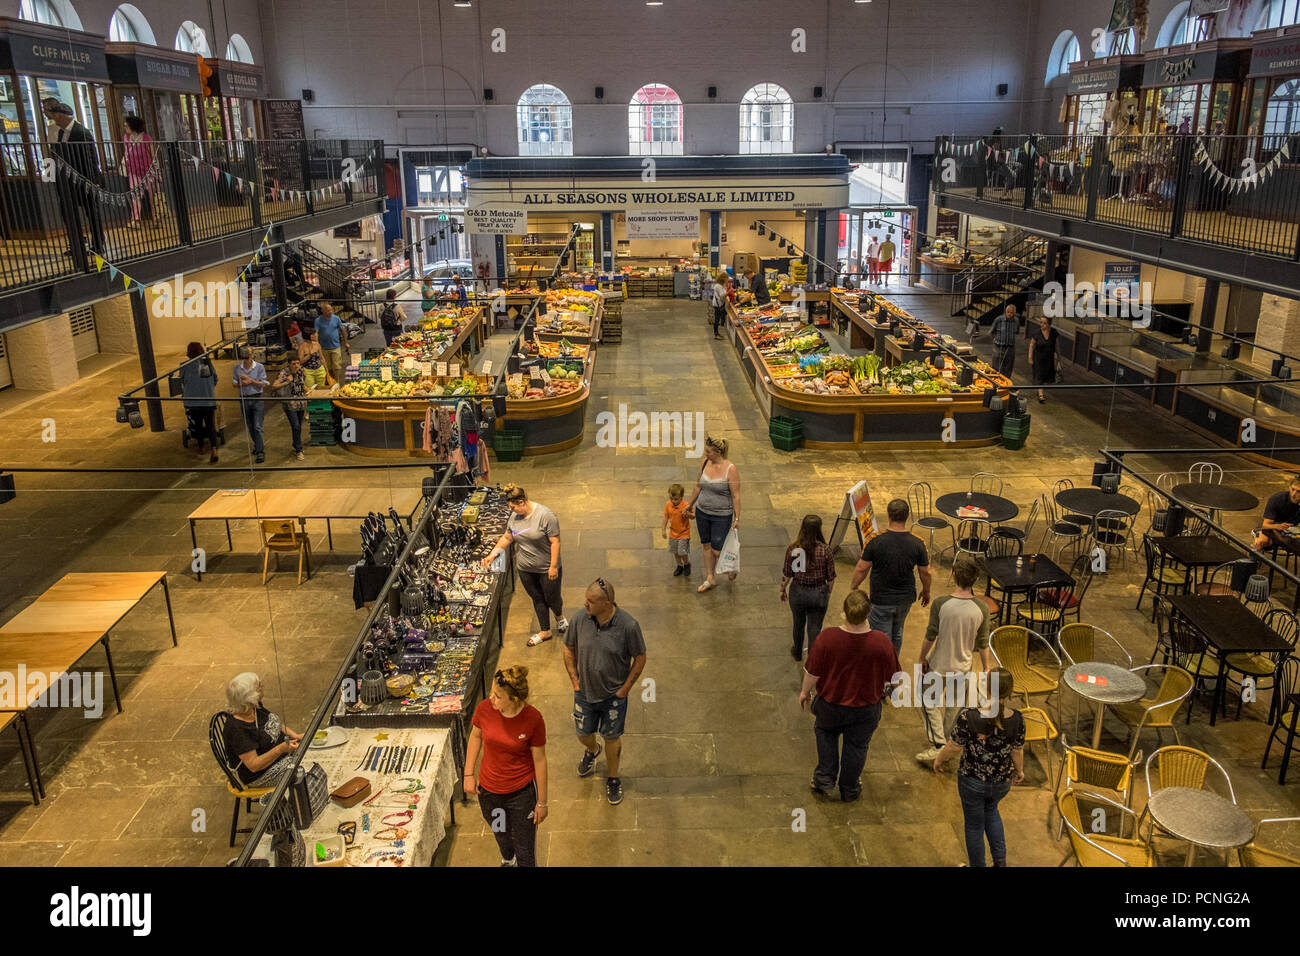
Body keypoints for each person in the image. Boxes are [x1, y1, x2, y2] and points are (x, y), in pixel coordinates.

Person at [799, 590, 900, 802]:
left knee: (826, 734)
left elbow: (813, 672)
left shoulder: (828, 638)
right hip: (865, 709)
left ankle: (825, 779)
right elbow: (893, 679)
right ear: (868, 614)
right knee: (857, 747)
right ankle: (850, 788)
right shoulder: (881, 642)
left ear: (844, 613)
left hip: (831, 704)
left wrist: (804, 692)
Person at [563, 578, 647, 807]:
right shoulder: (581, 618)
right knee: (583, 733)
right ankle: (592, 749)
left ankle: (613, 777)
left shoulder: (628, 626)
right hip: (584, 693)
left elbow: (640, 658)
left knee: (612, 737)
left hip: (613, 697)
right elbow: (568, 647)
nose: (585, 604)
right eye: (586, 600)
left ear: (607, 603)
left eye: (591, 601)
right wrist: (574, 680)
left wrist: (625, 689)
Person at [933, 669, 1024, 868]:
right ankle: (1000, 863)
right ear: (1010, 692)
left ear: (988, 688)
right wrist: (1020, 771)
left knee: (974, 825)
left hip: (972, 781)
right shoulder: (1017, 718)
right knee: (991, 812)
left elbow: (953, 747)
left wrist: (939, 760)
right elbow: (1017, 751)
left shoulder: (970, 716)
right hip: (1001, 782)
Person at [463, 665, 549, 867]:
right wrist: (468, 774)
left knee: (525, 848)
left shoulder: (533, 719)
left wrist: (542, 803)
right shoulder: (485, 709)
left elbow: (540, 760)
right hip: (491, 794)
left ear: (515, 699)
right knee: (501, 833)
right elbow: (476, 736)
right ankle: (508, 859)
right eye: (492, 693)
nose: (491, 699)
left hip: (521, 796)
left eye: (498, 696)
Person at [914, 555, 992, 764]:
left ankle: (939, 744)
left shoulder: (941, 604)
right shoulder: (982, 609)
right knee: (954, 707)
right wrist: (986, 667)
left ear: (954, 575)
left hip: (939, 663)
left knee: (925, 698)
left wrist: (922, 657)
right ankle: (947, 743)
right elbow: (983, 642)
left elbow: (931, 635)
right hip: (963, 667)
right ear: (975, 580)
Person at [482, 483, 567, 647]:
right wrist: (492, 555)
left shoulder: (545, 516)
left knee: (552, 598)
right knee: (537, 598)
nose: (512, 511)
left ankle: (559, 616)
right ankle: (545, 630)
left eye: (513, 507)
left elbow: (555, 542)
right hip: (526, 569)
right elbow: (507, 537)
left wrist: (553, 566)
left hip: (546, 568)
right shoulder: (514, 518)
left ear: (522, 502)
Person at [850, 498, 931, 656]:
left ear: (888, 515)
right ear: (907, 516)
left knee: (881, 637)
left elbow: (861, 568)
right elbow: (925, 572)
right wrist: (926, 590)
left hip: (881, 599)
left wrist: (854, 587)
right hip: (905, 599)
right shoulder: (918, 543)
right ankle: (893, 666)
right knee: (897, 632)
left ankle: (882, 670)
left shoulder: (875, 541)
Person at [222, 672, 303, 787]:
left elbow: (274, 722)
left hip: (282, 755)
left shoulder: (253, 707)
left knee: (312, 748)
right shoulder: (237, 729)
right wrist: (280, 749)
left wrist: (296, 735)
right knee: (302, 773)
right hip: (261, 775)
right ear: (250, 698)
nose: (262, 688)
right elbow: (254, 765)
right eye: (258, 687)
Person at [47, 102, 105, 255]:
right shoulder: (58, 132)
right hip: (67, 181)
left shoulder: (81, 132)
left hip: (84, 180)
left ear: (60, 115)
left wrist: (93, 180)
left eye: (53, 116)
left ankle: (98, 245)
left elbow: (91, 158)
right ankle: (77, 245)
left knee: (92, 213)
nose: (52, 119)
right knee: (69, 214)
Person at [684, 436, 741, 593]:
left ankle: (731, 566)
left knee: (717, 550)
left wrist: (737, 518)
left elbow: (736, 495)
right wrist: (689, 504)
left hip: (721, 515)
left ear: (717, 452)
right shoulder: (704, 463)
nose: (706, 454)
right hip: (703, 512)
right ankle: (710, 577)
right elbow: (698, 486)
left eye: (708, 452)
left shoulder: (731, 469)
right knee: (706, 545)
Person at [781, 514, 836, 662]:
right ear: (819, 529)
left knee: (798, 623)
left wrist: (782, 589)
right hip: (818, 592)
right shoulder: (826, 550)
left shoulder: (793, 548)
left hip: (798, 591)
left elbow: (787, 573)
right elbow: (831, 577)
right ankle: (812, 659)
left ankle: (797, 651)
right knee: (815, 628)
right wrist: (827, 593)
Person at [178, 342, 219, 464]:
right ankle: (214, 449)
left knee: (198, 425)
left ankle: (201, 447)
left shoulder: (184, 366)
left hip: (193, 402)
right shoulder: (207, 363)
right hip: (208, 400)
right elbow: (215, 378)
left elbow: (181, 382)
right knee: (211, 425)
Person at [232, 347, 268, 463]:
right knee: (251, 426)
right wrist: (242, 384)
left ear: (252, 355)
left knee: (257, 426)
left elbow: (264, 383)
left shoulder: (259, 367)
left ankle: (260, 452)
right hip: (244, 400)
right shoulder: (237, 368)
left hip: (257, 399)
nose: (247, 357)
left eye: (249, 354)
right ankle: (257, 445)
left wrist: (251, 381)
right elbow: (234, 383)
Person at [119, 115, 155, 229]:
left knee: (152, 196)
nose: (125, 127)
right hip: (133, 170)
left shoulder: (146, 138)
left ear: (132, 126)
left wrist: (156, 170)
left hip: (148, 171)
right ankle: (136, 219)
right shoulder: (126, 137)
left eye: (126, 125)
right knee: (135, 196)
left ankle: (156, 217)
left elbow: (153, 155)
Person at [1254, 475, 1300, 556]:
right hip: (1272, 526)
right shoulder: (1277, 499)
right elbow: (1265, 525)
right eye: (1292, 489)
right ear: (1289, 487)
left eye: (1298, 491)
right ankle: (1252, 556)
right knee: (1262, 541)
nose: (1293, 494)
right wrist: (1277, 526)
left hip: (1290, 530)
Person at [273, 355, 308, 460]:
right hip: (290, 403)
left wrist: (307, 389)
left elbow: (302, 384)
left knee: (298, 426)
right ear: (289, 364)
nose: (296, 365)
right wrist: (287, 382)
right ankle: (298, 449)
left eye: (298, 363)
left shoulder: (302, 371)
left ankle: (296, 443)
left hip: (301, 402)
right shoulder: (284, 373)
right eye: (294, 364)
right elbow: (274, 385)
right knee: (296, 426)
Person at [662, 483, 692, 577]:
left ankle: (687, 564)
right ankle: (679, 566)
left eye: (676, 499)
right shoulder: (668, 504)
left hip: (684, 533)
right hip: (673, 533)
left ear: (681, 497)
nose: (673, 501)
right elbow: (666, 518)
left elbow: (693, 516)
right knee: (675, 551)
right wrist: (663, 530)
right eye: (671, 498)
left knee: (682, 552)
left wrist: (688, 514)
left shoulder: (686, 505)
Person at [1028, 311, 1058, 404]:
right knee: (1039, 376)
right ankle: (1041, 395)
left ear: (1049, 324)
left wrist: (1059, 356)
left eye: (1044, 323)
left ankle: (1039, 390)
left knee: (1045, 377)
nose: (1042, 325)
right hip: (1038, 358)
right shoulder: (1037, 333)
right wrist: (1030, 357)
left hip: (1049, 358)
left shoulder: (1053, 333)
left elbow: (1057, 345)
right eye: (1041, 322)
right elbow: (1032, 345)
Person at [315, 302, 346, 385]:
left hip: (335, 346)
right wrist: (316, 345)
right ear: (323, 311)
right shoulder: (318, 321)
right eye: (328, 311)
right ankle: (331, 382)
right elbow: (316, 333)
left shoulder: (336, 318)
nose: (330, 312)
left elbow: (342, 330)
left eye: (331, 310)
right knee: (328, 367)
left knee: (336, 366)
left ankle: (337, 382)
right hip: (324, 348)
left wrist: (346, 342)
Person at [991, 304, 1019, 378]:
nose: (1009, 314)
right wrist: (996, 341)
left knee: (1008, 369)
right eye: (1008, 312)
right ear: (1005, 312)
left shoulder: (1016, 321)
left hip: (1010, 348)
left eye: (1011, 312)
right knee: (996, 368)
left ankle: (1006, 386)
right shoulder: (998, 320)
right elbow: (991, 332)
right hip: (998, 347)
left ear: (1014, 313)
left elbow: (1017, 332)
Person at [711, 272, 727, 339]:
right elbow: (722, 295)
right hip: (718, 305)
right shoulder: (718, 286)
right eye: (727, 278)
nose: (728, 279)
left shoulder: (721, 285)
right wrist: (729, 292)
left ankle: (717, 333)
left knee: (718, 318)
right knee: (717, 319)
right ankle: (716, 334)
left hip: (719, 304)